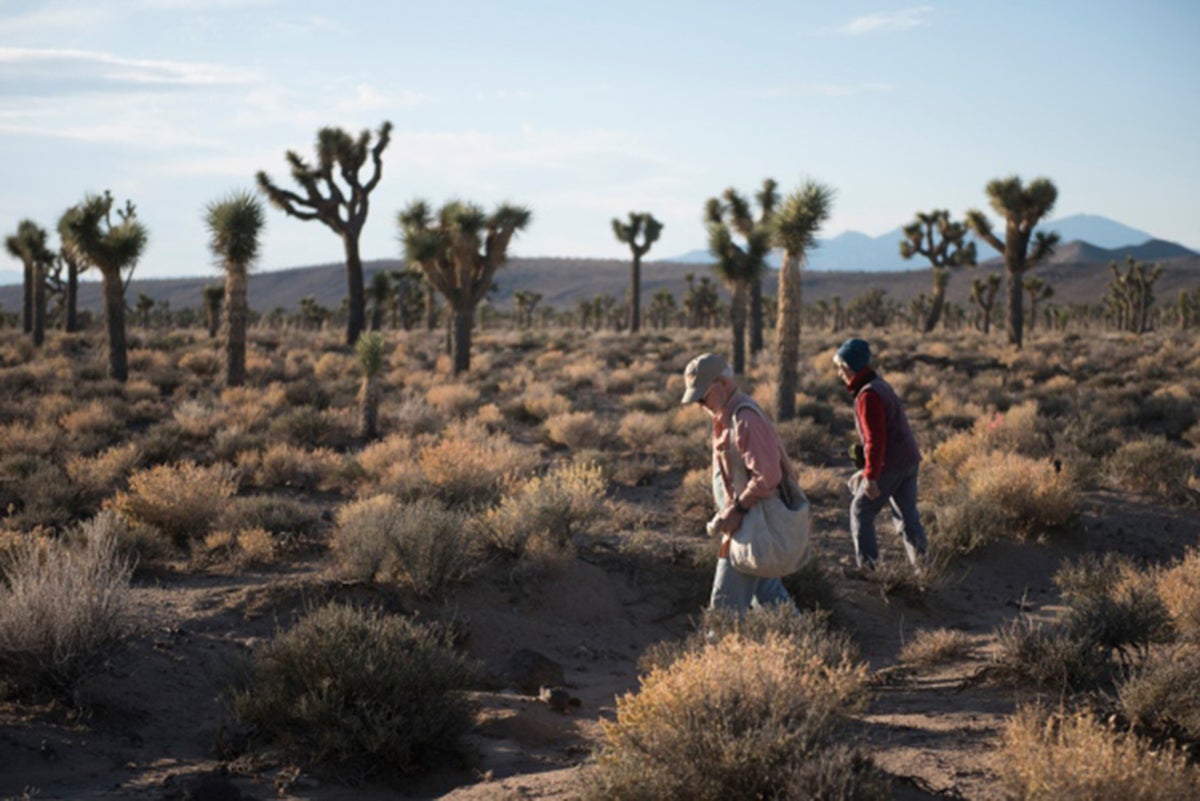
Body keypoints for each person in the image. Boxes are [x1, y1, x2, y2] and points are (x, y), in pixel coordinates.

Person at [680, 352, 796, 612]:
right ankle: (804, 644)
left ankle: (718, 649)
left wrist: (737, 510)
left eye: (703, 396)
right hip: (748, 524)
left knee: (724, 609)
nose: (701, 404)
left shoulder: (745, 419)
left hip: (751, 525)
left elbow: (768, 476)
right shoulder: (727, 416)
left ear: (722, 383)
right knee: (770, 595)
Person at [833, 338, 927, 572]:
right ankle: (925, 571)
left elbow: (876, 440)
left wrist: (872, 476)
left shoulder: (868, 395)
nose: (839, 373)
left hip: (891, 464)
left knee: (860, 510)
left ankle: (868, 569)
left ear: (851, 366)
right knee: (908, 518)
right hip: (908, 459)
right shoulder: (879, 385)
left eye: (841, 367)